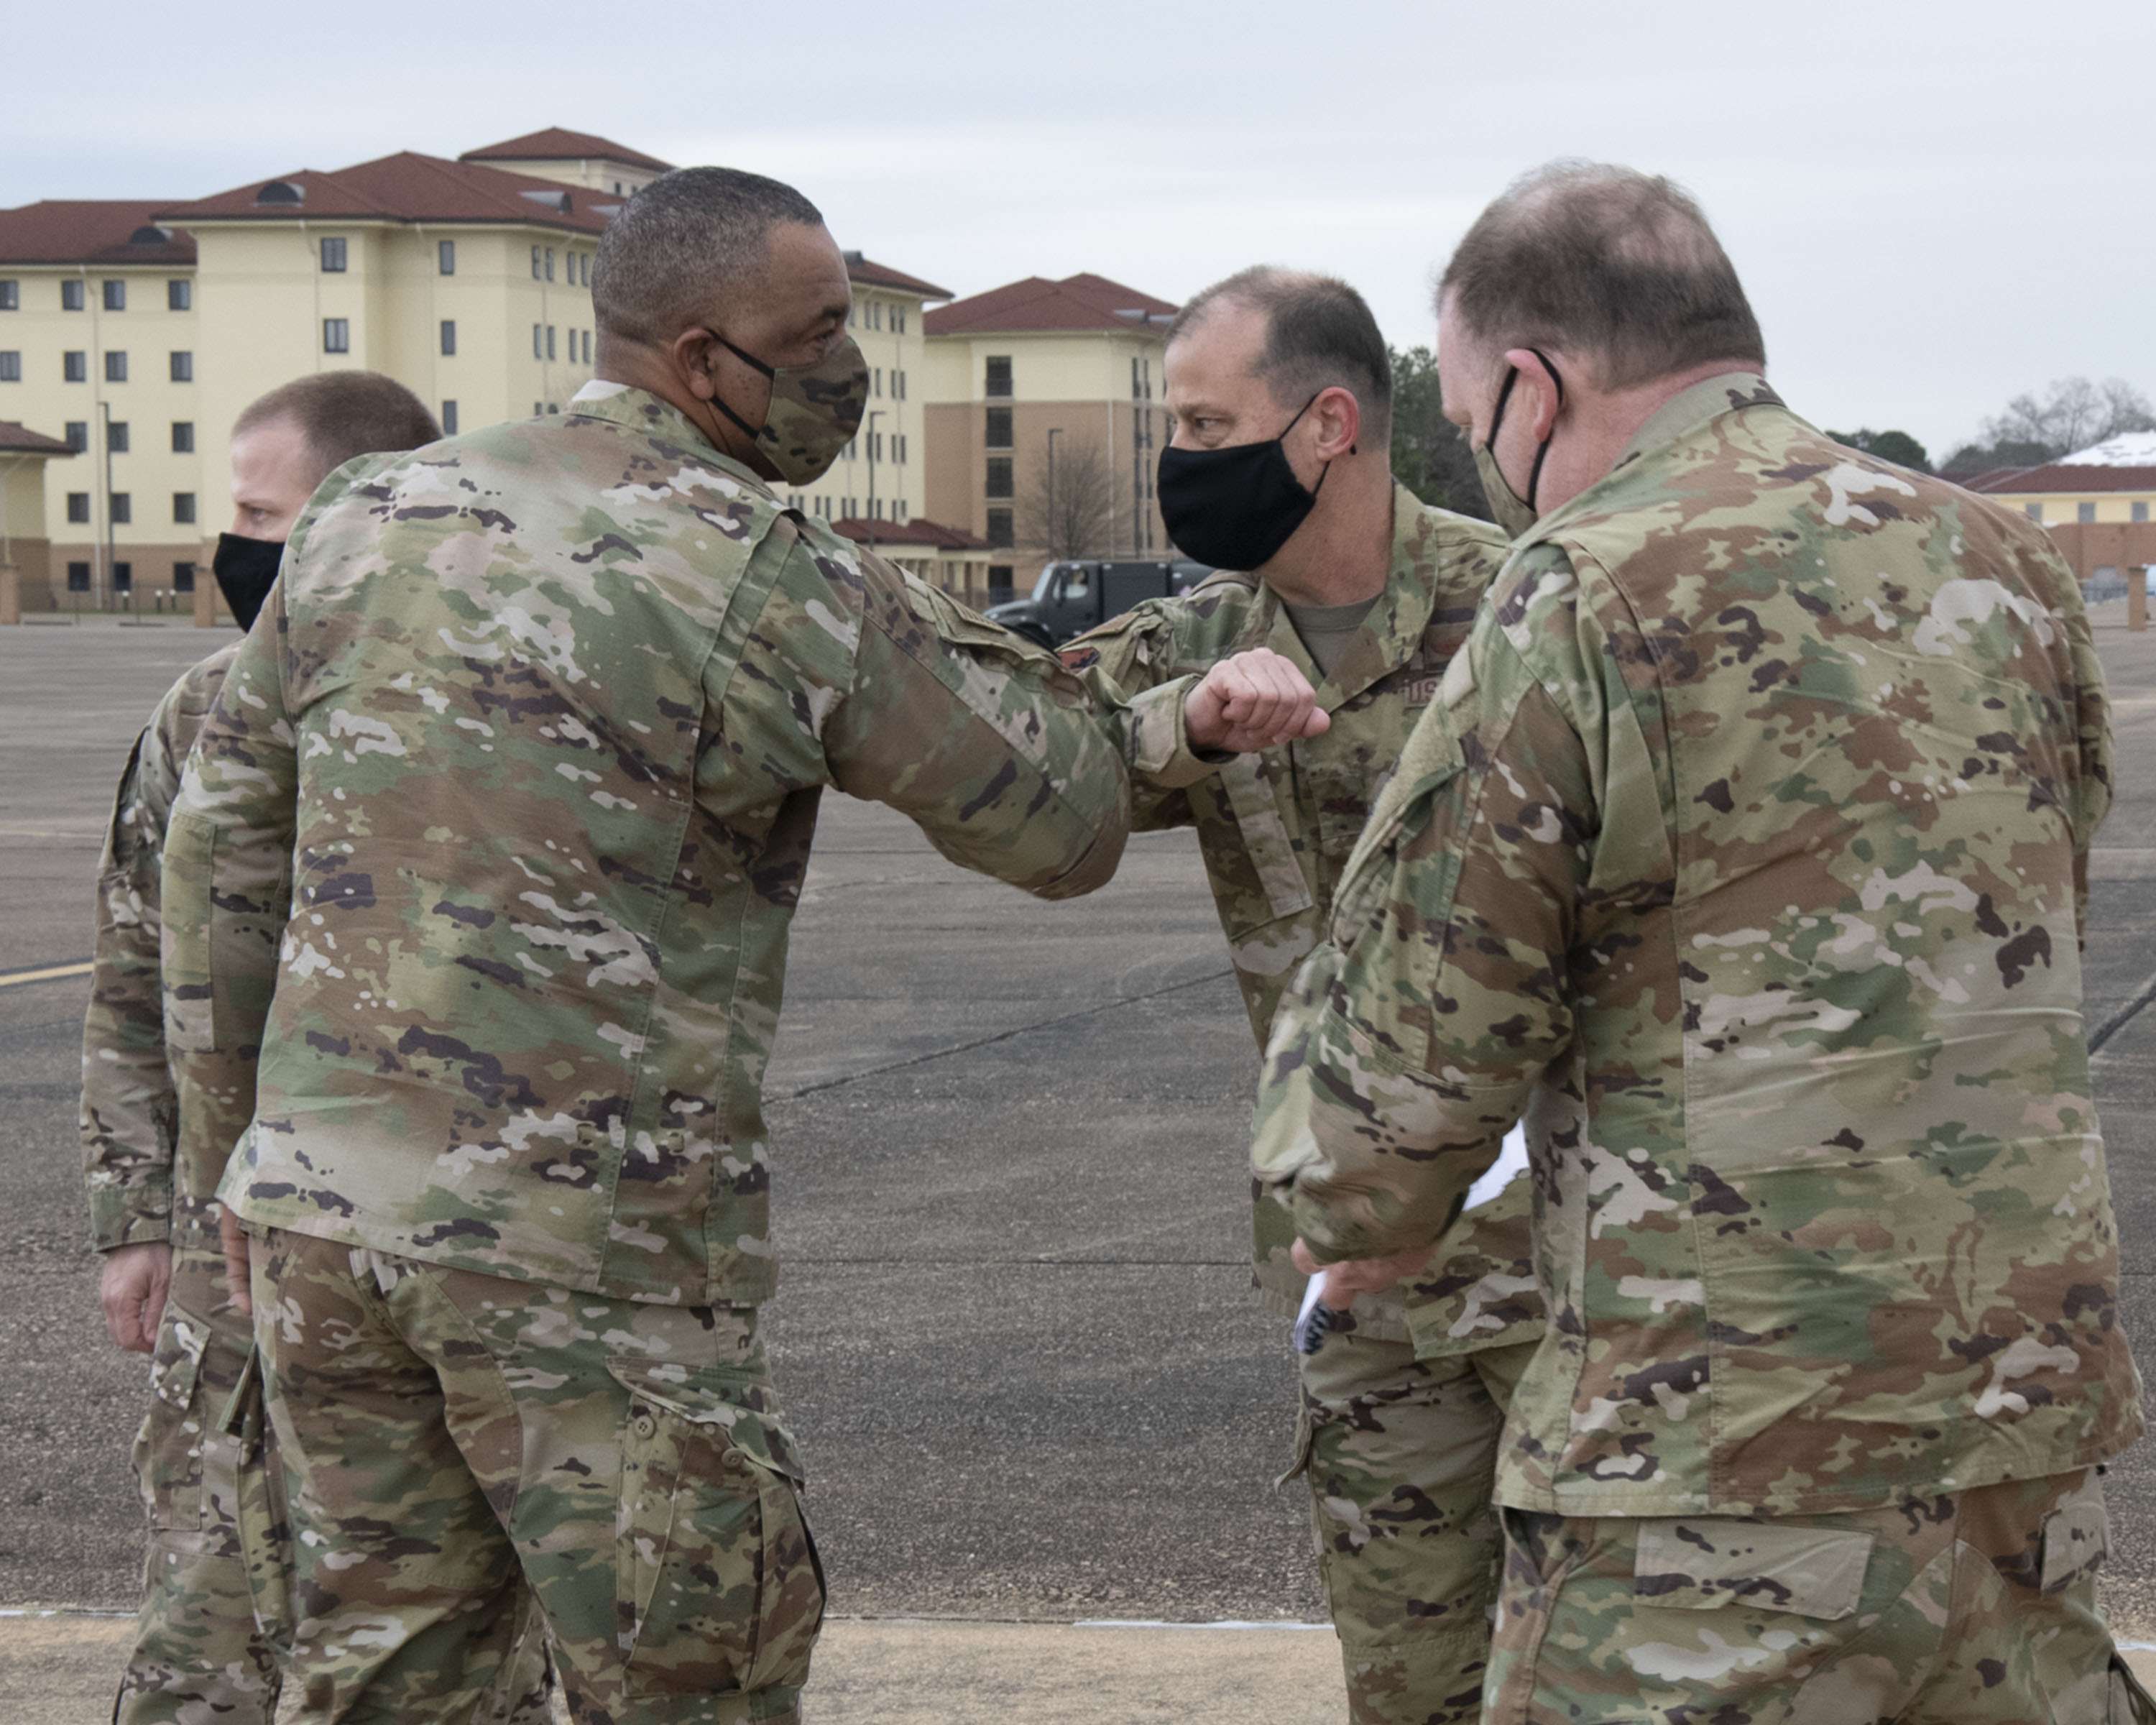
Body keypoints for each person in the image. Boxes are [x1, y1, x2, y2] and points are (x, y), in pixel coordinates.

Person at [161, 166, 1314, 1724]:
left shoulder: (367, 515)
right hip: (584, 1257)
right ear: (703, 360)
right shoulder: (760, 564)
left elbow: (222, 861)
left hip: (321, 1237)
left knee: (382, 1670)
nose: (849, 363)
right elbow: (1049, 818)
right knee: (689, 1673)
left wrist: (232, 1171)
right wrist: (1185, 719)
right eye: (820, 331)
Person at [1253, 160, 2151, 1724]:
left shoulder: (1576, 589)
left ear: (1533, 387)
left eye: (1472, 425)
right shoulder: (2002, 563)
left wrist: (1340, 1209)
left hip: (1716, 1471)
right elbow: (2029, 914)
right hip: (2018, 1439)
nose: (1488, 472)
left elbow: (1402, 1076)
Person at [1062, 266, 1540, 1725]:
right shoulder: (1196, 644)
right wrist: (1187, 728)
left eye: (1209, 425)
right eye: (1174, 425)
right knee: (1407, 1679)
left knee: (1617, 1669)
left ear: (1328, 425)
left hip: (1566, 1256)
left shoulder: (1529, 608)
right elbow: (1030, 787)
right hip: (1354, 1251)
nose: (1181, 459)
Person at [81, 372, 563, 1724]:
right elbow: (132, 971)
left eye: (259, 515)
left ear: (364, 514)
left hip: (420, 1251)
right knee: (209, 1619)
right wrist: (137, 1220)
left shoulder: (494, 704)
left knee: (438, 1627)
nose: (231, 546)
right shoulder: (199, 713)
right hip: (225, 1263)